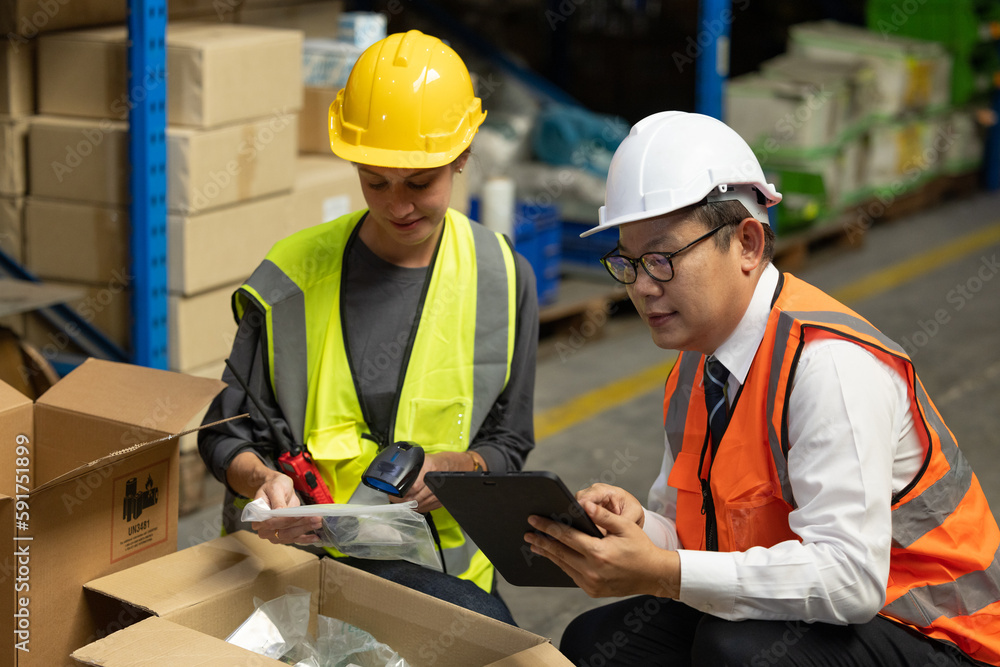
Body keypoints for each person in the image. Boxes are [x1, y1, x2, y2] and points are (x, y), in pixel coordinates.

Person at [524, 111, 1000, 665]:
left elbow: (851, 580)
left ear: (748, 244)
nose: (643, 287)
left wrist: (664, 571)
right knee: (597, 642)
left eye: (662, 259)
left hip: (940, 638)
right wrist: (638, 529)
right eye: (629, 263)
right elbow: (697, 542)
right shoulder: (698, 365)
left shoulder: (829, 365)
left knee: (739, 651)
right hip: (821, 618)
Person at [198, 30, 538, 625]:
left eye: (419, 183)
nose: (397, 205)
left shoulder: (503, 280)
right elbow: (224, 433)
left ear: (462, 155)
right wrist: (263, 482)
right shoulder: (289, 279)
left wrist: (458, 469)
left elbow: (509, 443)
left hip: (440, 575)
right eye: (375, 181)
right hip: (298, 565)